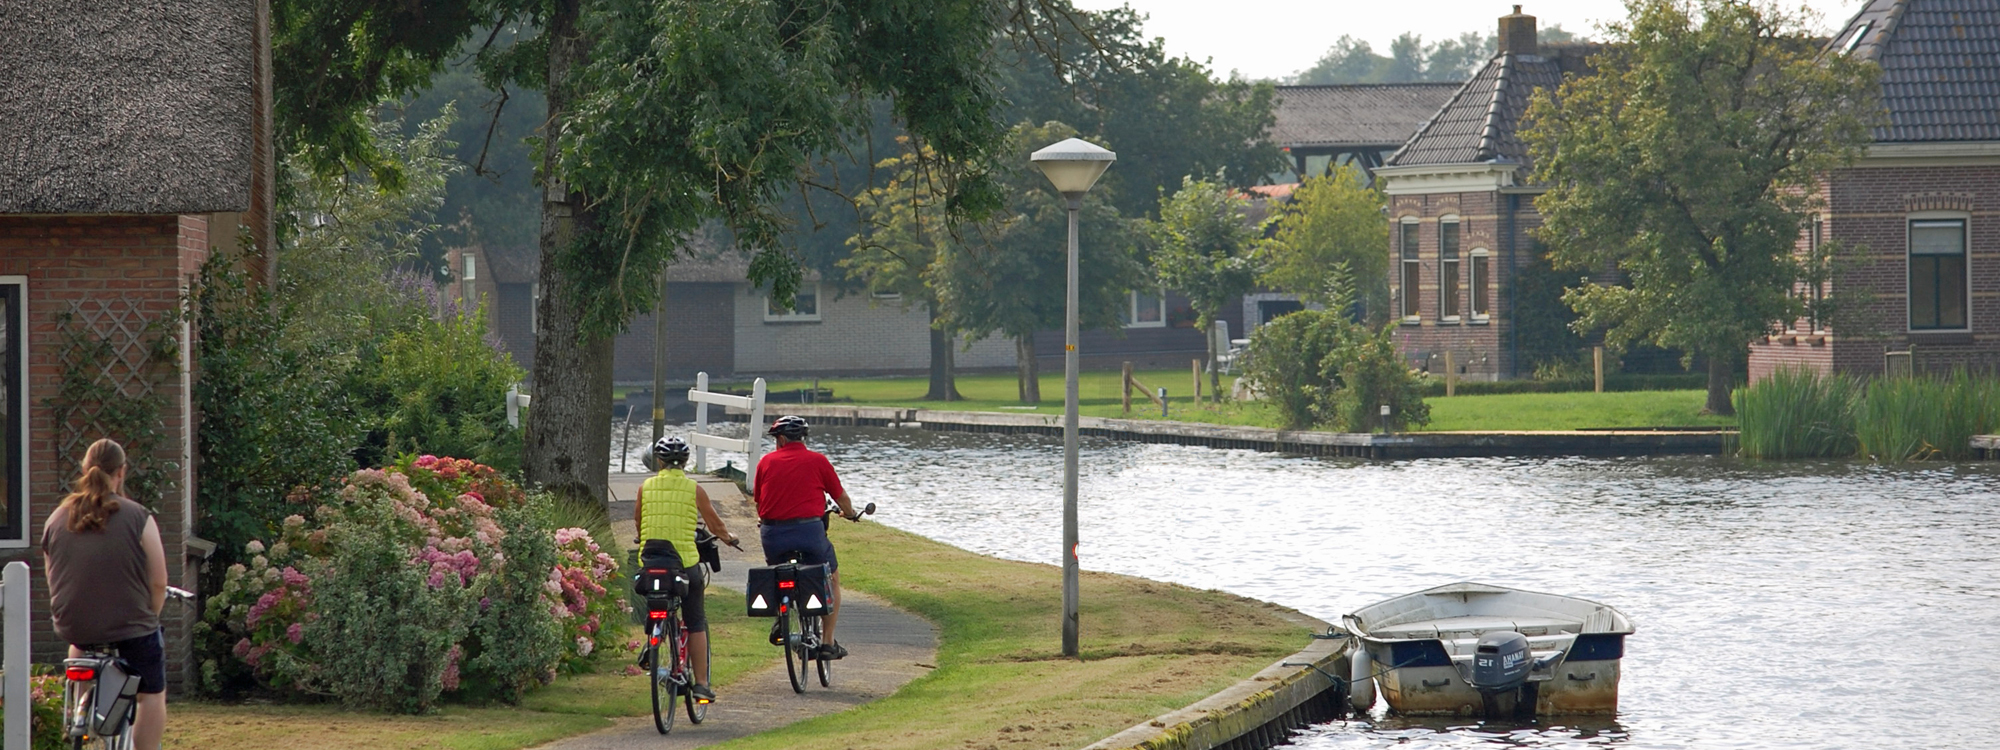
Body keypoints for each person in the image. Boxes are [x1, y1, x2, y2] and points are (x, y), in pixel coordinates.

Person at [42, 439, 168, 750]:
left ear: (84, 470)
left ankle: (76, 714)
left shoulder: (56, 519)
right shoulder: (138, 516)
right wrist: (150, 617)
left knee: (78, 652)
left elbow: (52, 577)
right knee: (151, 692)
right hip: (130, 628)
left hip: (77, 628)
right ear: (121, 472)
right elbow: (159, 584)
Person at [634, 436, 738, 702]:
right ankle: (701, 684)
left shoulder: (645, 487)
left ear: (659, 461)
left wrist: (643, 538)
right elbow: (714, 524)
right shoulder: (694, 489)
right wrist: (728, 538)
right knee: (695, 621)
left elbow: (639, 521)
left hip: (652, 564)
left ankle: (653, 642)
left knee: (656, 600)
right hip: (684, 566)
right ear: (686, 462)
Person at [753, 415, 860, 659]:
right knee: (831, 577)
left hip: (773, 535)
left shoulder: (766, 463)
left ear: (780, 439)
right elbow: (840, 496)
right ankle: (828, 643)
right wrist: (851, 514)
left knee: (777, 571)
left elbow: (759, 500)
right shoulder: (818, 461)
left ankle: (782, 615)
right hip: (809, 532)